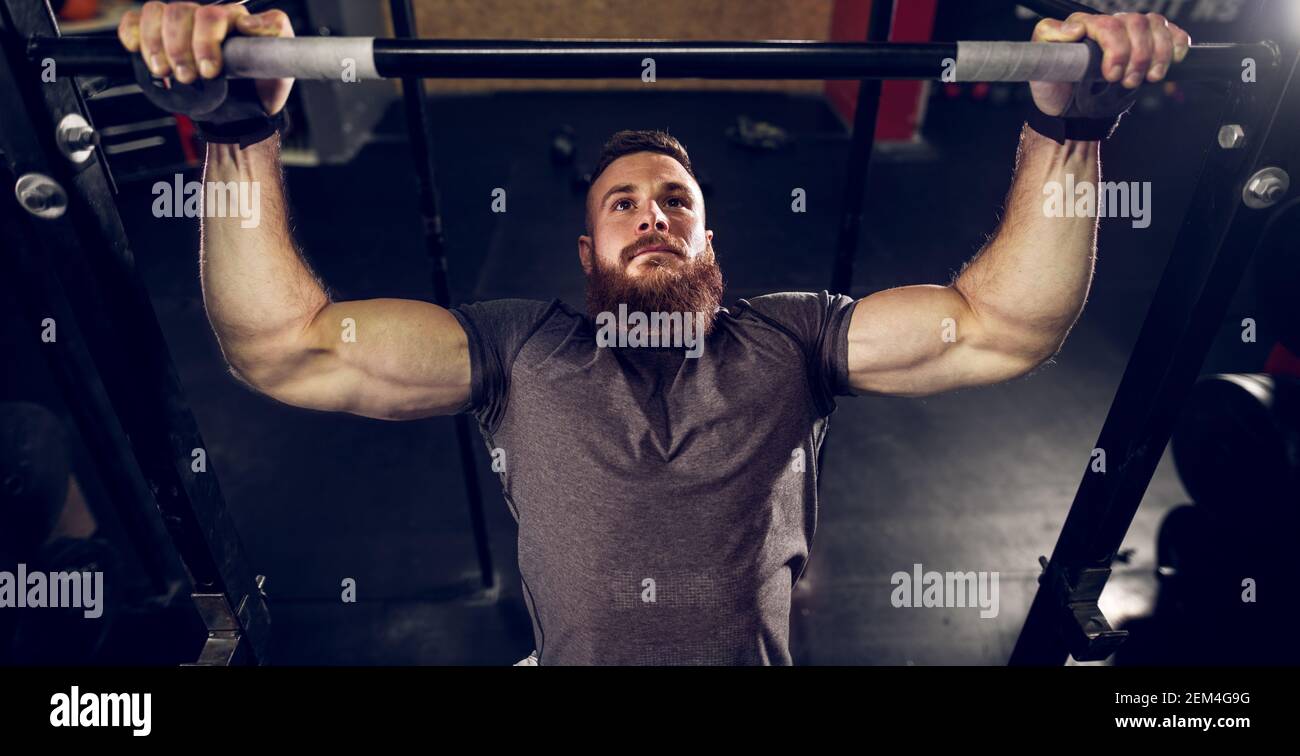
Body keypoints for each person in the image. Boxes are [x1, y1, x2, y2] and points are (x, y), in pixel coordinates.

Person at [117, 3, 1190, 665]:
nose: (652, 215)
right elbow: (286, 346)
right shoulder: (517, 354)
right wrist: (240, 131)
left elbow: (1000, 328)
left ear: (710, 236)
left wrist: (1067, 125)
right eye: (621, 204)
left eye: (675, 200)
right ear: (585, 254)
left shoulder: (791, 342)